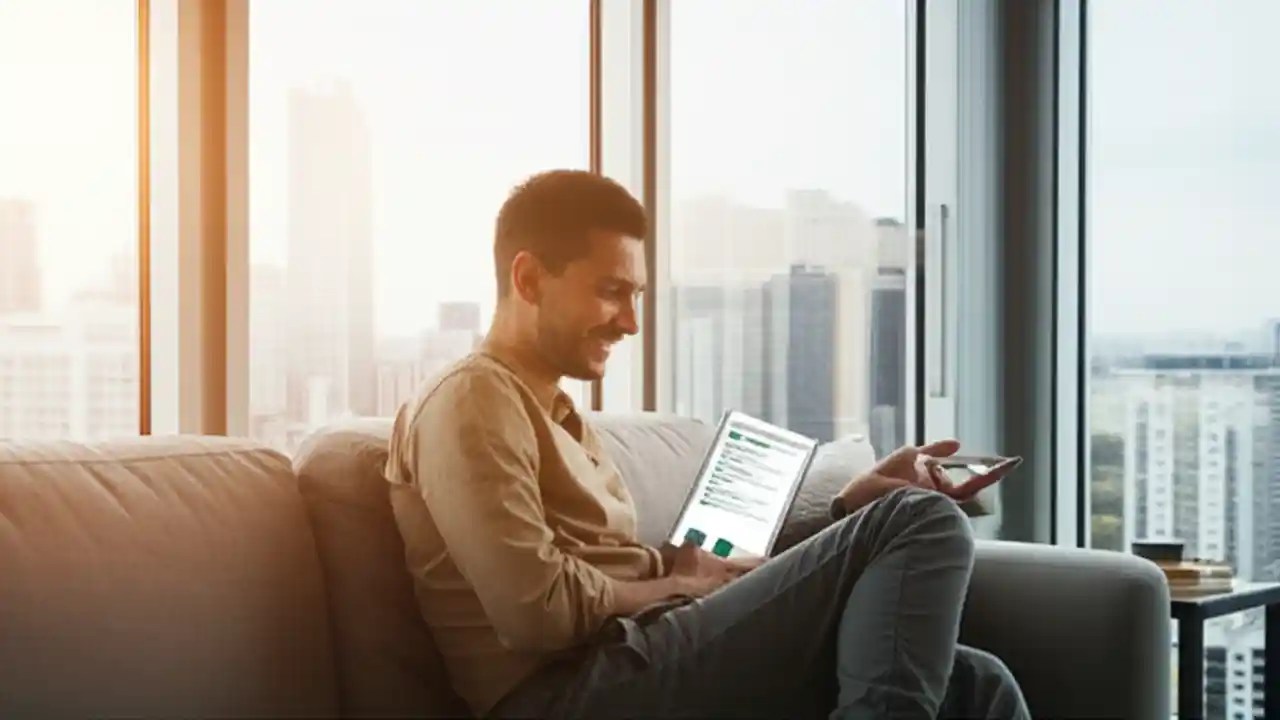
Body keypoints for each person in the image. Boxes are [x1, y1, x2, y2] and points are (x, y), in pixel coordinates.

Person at [385, 170, 1031, 719]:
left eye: (635, 296)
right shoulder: (471, 400)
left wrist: (845, 507)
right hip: (566, 692)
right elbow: (537, 612)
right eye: (611, 292)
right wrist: (673, 591)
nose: (631, 323)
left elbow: (637, 574)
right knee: (922, 519)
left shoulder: (557, 412)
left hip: (636, 652)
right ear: (528, 280)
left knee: (979, 686)